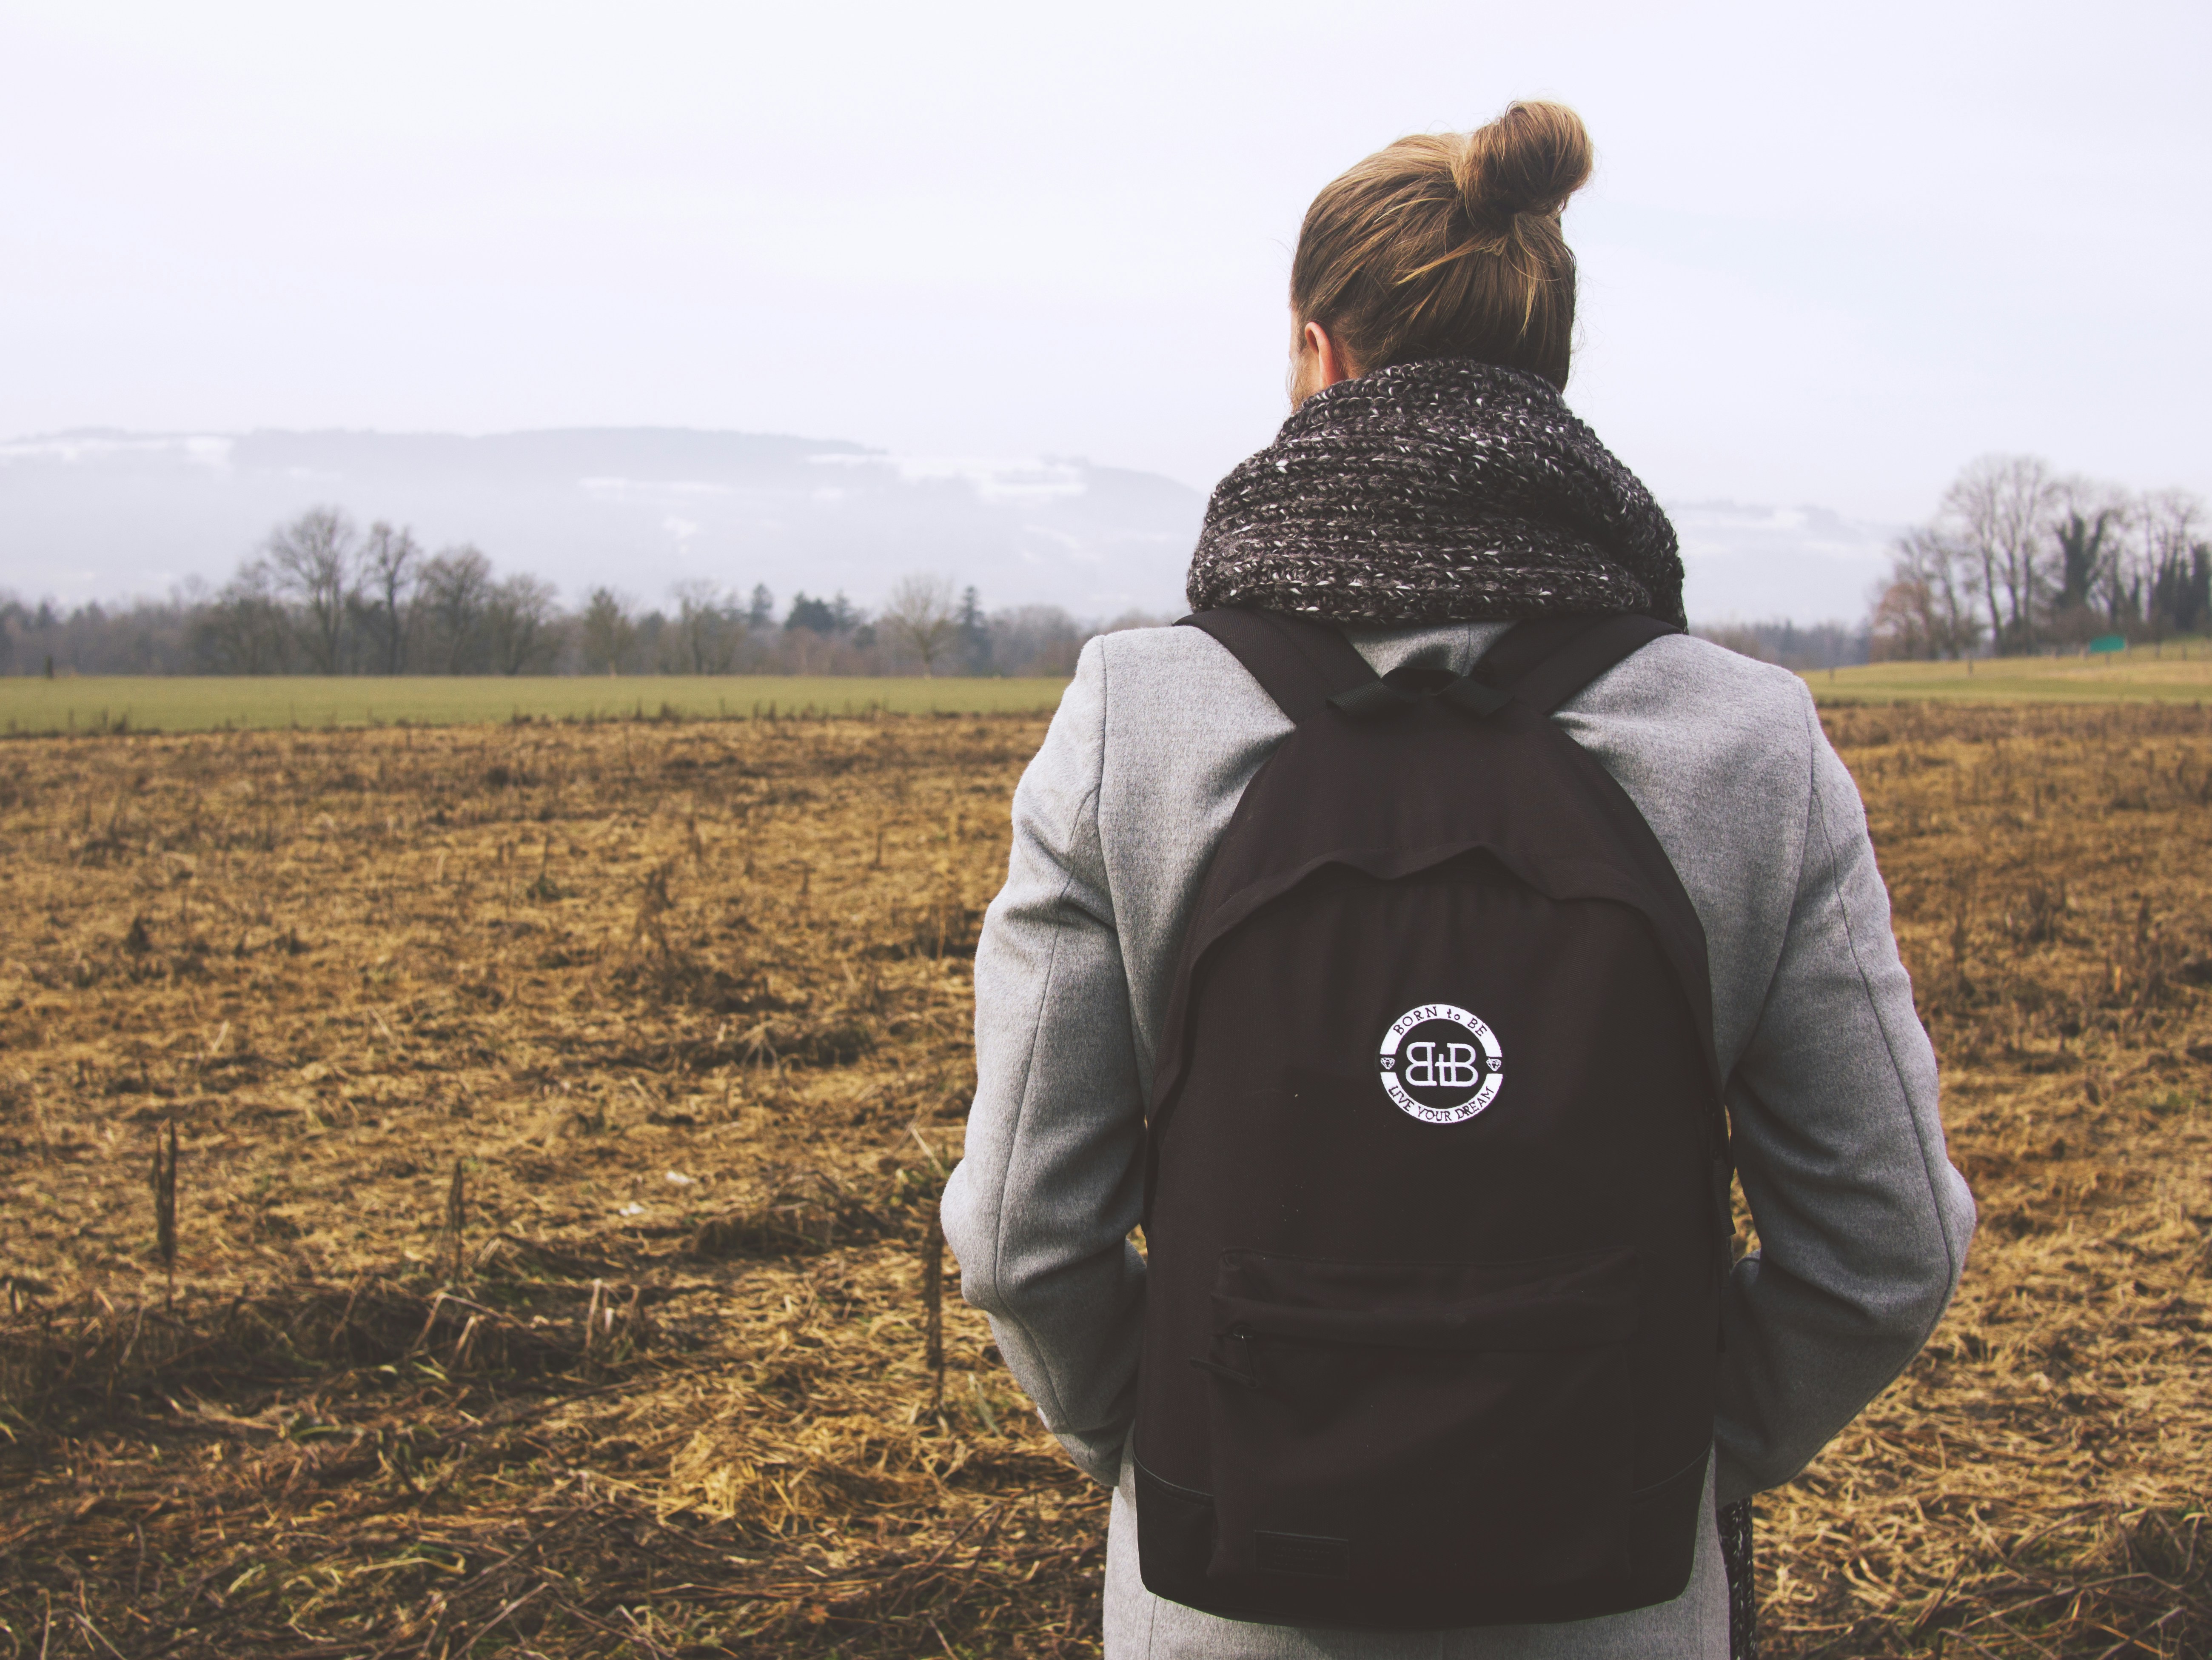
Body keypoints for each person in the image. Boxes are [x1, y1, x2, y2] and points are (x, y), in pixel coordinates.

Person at [941, 100, 1975, 1660]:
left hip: (1223, 1598)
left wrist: (1176, 1456)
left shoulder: (1132, 721)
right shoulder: (1747, 741)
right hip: (1619, 1596)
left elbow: (1020, 1231)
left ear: (1318, 352)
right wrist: (1668, 1472)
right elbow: (1892, 1242)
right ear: (1550, 371)